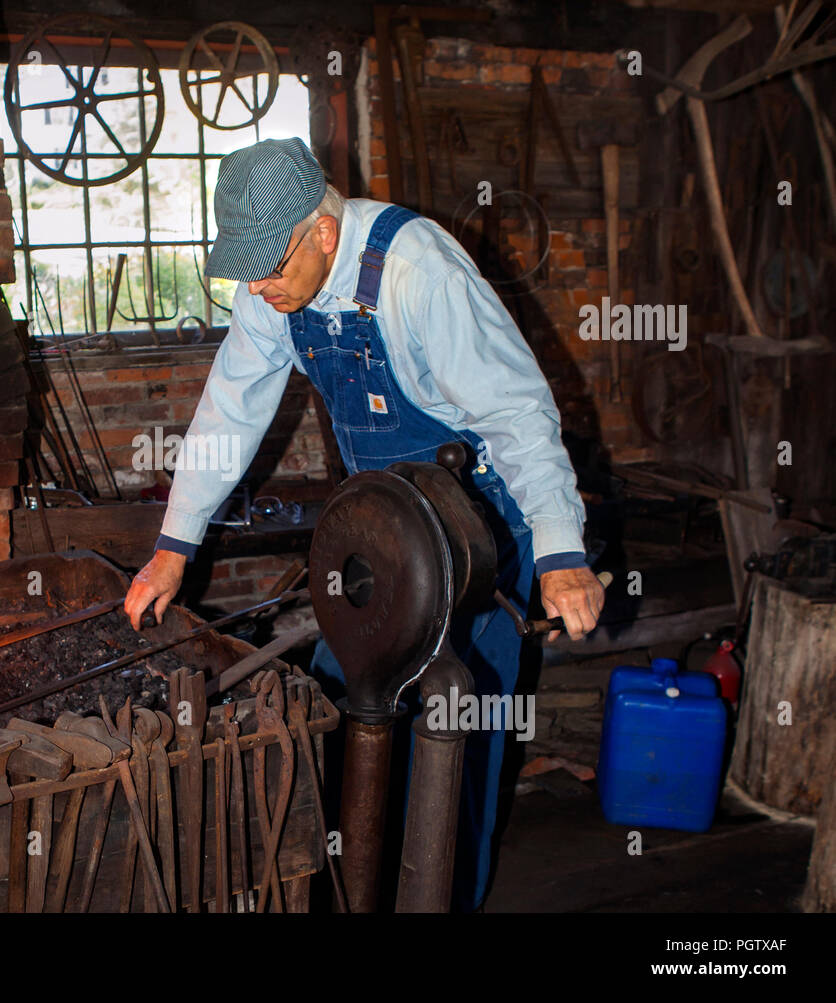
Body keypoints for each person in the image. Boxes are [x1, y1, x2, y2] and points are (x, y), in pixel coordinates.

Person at [123, 137, 604, 909]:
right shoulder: (272, 288)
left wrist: (560, 550)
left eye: (271, 265)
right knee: (350, 712)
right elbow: (229, 411)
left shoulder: (420, 274)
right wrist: (173, 547)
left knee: (459, 741)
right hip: (388, 529)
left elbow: (517, 412)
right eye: (246, 269)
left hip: (480, 527)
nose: (260, 286)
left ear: (322, 229)